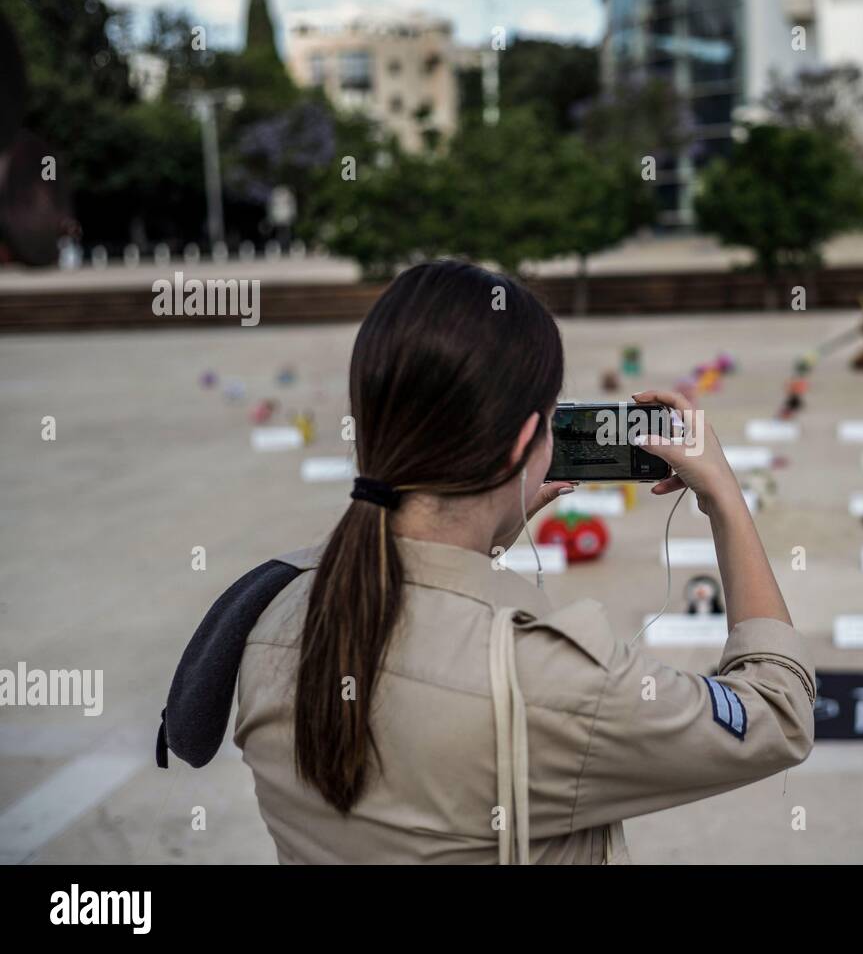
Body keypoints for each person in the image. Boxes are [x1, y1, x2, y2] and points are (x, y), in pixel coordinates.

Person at [220, 260, 814, 863]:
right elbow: (777, 712)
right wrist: (725, 502)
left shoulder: (270, 618)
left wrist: (490, 521)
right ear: (521, 442)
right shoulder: (551, 679)